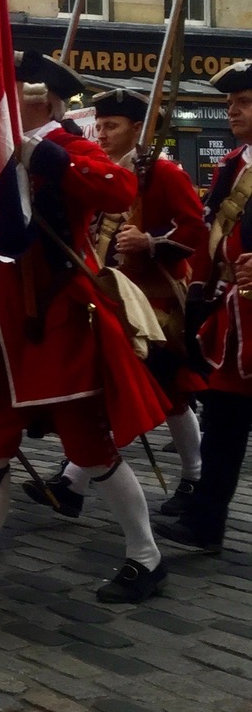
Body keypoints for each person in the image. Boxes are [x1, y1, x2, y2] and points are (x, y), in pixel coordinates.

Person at [0, 52, 170, 626]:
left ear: (44, 99)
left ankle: (146, 555)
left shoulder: (68, 147)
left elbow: (117, 187)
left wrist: (42, 154)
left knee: (90, 449)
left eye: (12, 88)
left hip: (56, 320)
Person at [24, 88, 206, 519]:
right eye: (100, 126)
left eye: (113, 126)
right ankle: (73, 480)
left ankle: (195, 475)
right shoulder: (106, 170)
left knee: (168, 391)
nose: (103, 134)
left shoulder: (162, 171)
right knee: (123, 389)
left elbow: (196, 228)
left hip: (156, 299)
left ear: (137, 128)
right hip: (113, 291)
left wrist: (153, 241)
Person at [156, 59, 252, 552]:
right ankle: (205, 520)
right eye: (231, 103)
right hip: (235, 315)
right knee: (223, 419)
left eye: (244, 102)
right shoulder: (236, 162)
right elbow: (210, 226)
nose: (233, 110)